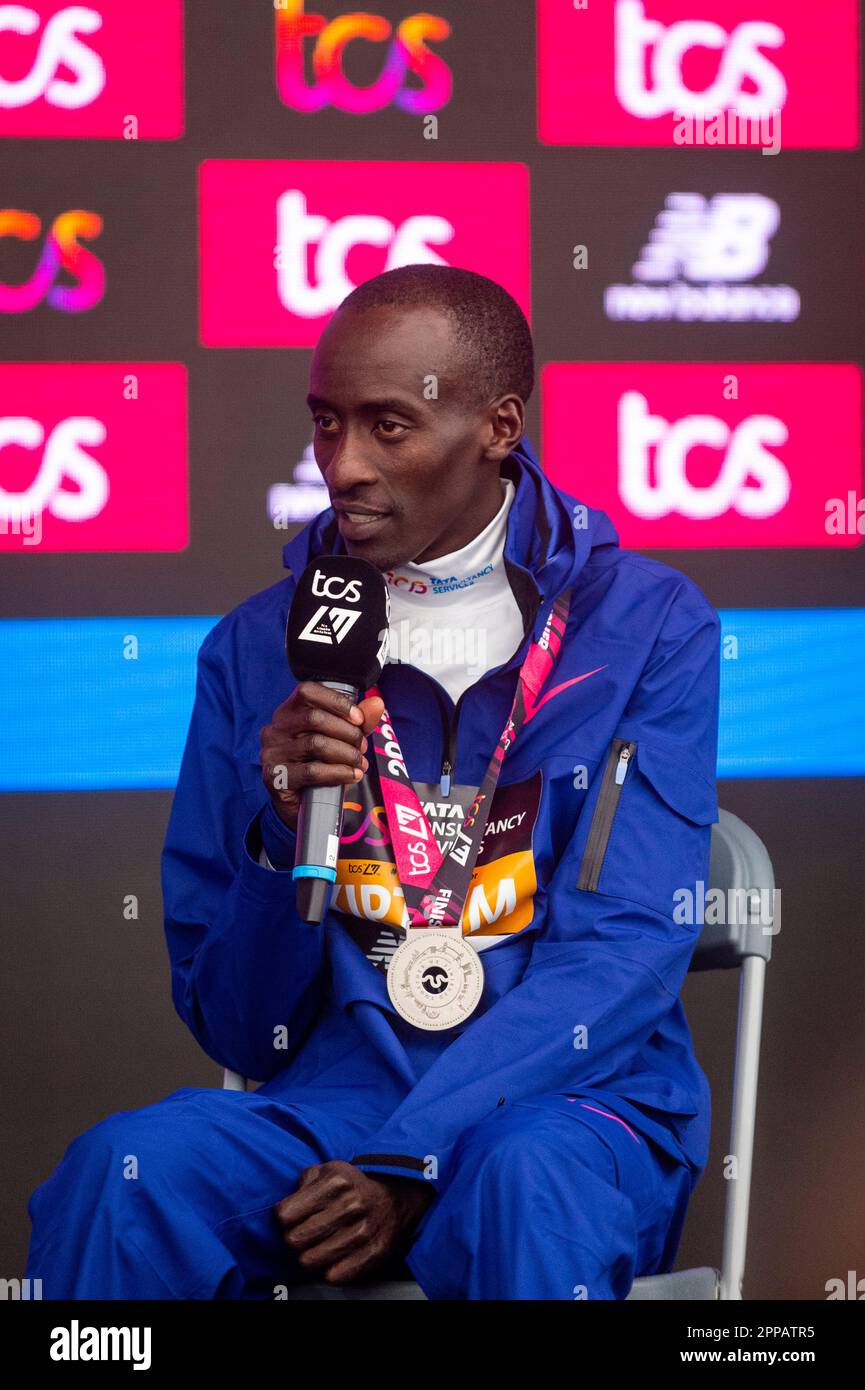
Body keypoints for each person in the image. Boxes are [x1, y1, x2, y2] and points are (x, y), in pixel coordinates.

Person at [25, 264, 720, 1300]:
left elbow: (620, 954)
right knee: (123, 1173)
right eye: (324, 423)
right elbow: (236, 1024)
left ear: (498, 426)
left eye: (387, 426)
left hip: (570, 1108)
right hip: (335, 1109)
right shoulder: (259, 646)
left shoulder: (649, 624)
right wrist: (279, 833)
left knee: (520, 1181)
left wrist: (411, 1160)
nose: (340, 465)